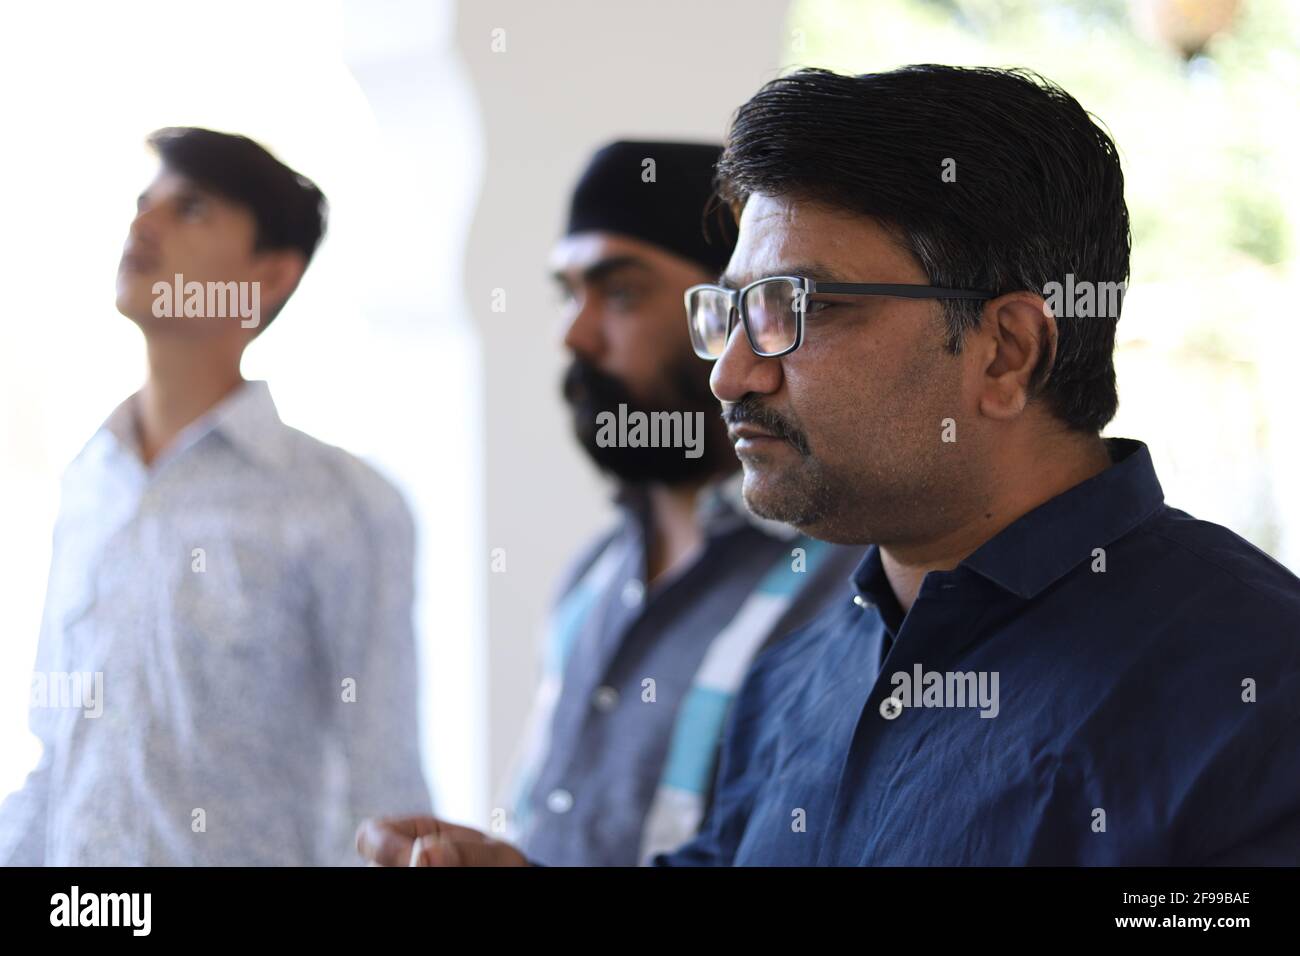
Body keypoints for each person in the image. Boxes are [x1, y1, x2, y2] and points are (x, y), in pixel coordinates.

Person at [359, 66, 1300, 867]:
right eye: (729, 311)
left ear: (1006, 352)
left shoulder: (1251, 684)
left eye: (791, 307)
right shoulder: (804, 667)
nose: (731, 370)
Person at [358, 141, 862, 867]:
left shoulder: (848, 584)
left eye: (620, 293)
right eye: (568, 293)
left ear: (734, 315)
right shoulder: (593, 577)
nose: (575, 333)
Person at [0, 127, 430, 865]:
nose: (143, 226)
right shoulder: (89, 480)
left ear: (268, 276)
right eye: (144, 203)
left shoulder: (343, 503)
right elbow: (56, 756)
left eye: (190, 209)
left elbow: (383, 781)